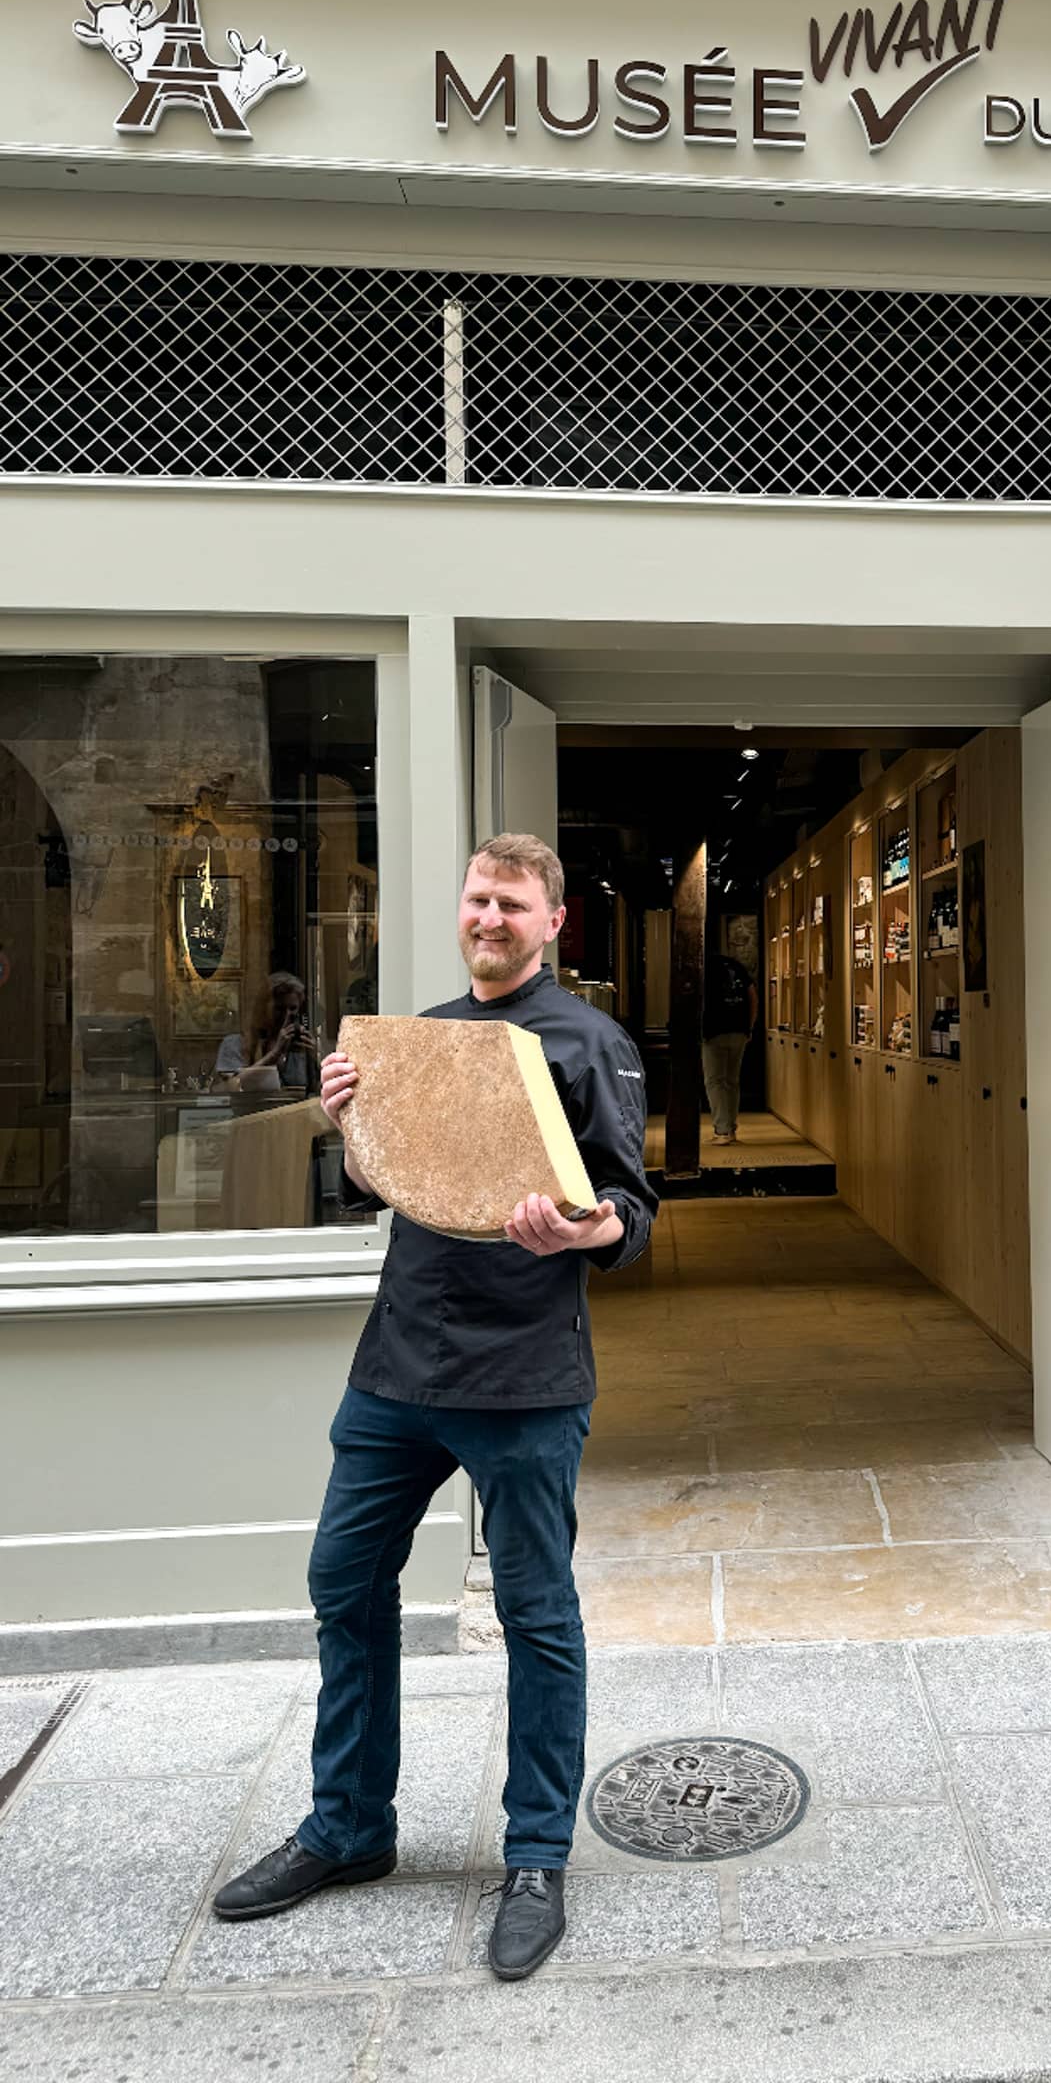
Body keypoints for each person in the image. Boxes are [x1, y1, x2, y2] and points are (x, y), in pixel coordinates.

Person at [211, 833, 657, 1983]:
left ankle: (536, 1858)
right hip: (397, 1367)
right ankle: (348, 1828)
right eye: (476, 899)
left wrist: (583, 1229)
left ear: (552, 921)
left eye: (511, 902)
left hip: (523, 1378)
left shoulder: (590, 1043)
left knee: (535, 1613)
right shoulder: (419, 1039)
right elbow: (387, 1181)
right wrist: (346, 1127)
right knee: (342, 1580)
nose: (488, 918)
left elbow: (631, 1213)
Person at [214, 970, 319, 1099]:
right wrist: (274, 1054)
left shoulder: (299, 1047)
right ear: (263, 1008)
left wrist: (314, 1059)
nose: (286, 1016)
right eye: (279, 1009)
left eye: (292, 1009)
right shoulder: (234, 1044)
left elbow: (316, 1091)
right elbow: (230, 1087)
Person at [700, 945, 756, 1144]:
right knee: (732, 1081)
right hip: (739, 1030)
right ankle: (730, 1128)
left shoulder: (702, 968)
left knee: (715, 1081)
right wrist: (749, 1027)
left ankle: (722, 1131)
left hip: (714, 1031)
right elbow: (752, 996)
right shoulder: (736, 966)